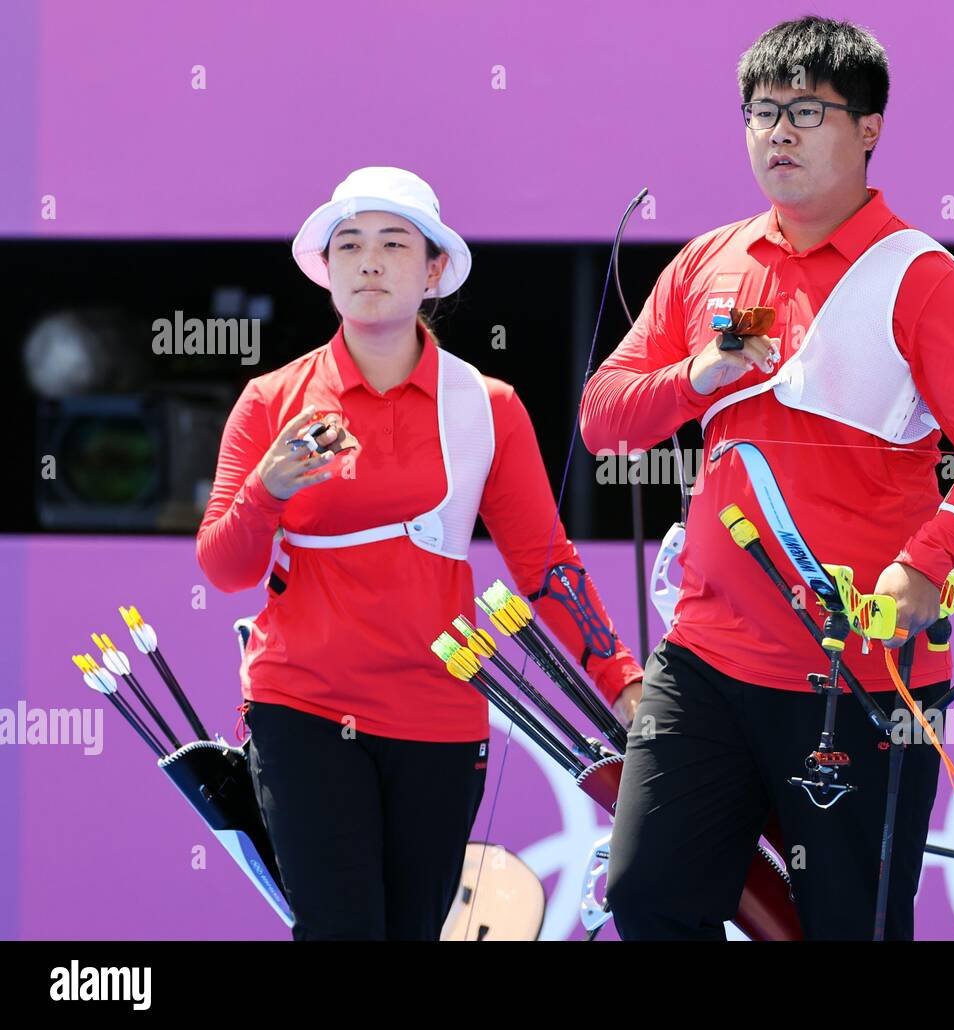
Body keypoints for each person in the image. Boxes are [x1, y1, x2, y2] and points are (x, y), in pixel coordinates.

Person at [580, 17, 954, 940]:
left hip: (861, 670)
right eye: (761, 112)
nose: (778, 132)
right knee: (645, 899)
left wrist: (927, 564)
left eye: (806, 111)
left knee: (846, 927)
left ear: (869, 129)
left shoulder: (920, 278)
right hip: (706, 658)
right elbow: (603, 419)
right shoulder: (708, 261)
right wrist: (696, 378)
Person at [197, 166, 643, 940]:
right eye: (351, 244)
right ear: (327, 268)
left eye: (395, 244)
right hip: (302, 708)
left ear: (434, 269)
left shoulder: (487, 406)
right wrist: (267, 488)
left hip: (438, 719)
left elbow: (546, 563)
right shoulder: (272, 400)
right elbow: (225, 570)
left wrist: (624, 683)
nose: (370, 261)